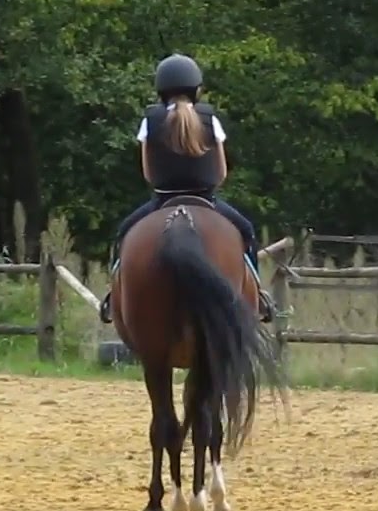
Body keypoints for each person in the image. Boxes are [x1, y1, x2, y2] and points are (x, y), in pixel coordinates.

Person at [99, 53, 273, 324]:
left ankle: (112, 298)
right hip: (207, 199)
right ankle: (260, 297)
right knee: (247, 232)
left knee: (123, 235)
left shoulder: (150, 120)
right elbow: (222, 171)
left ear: (160, 91)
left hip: (162, 200)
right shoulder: (210, 119)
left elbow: (148, 173)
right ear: (196, 89)